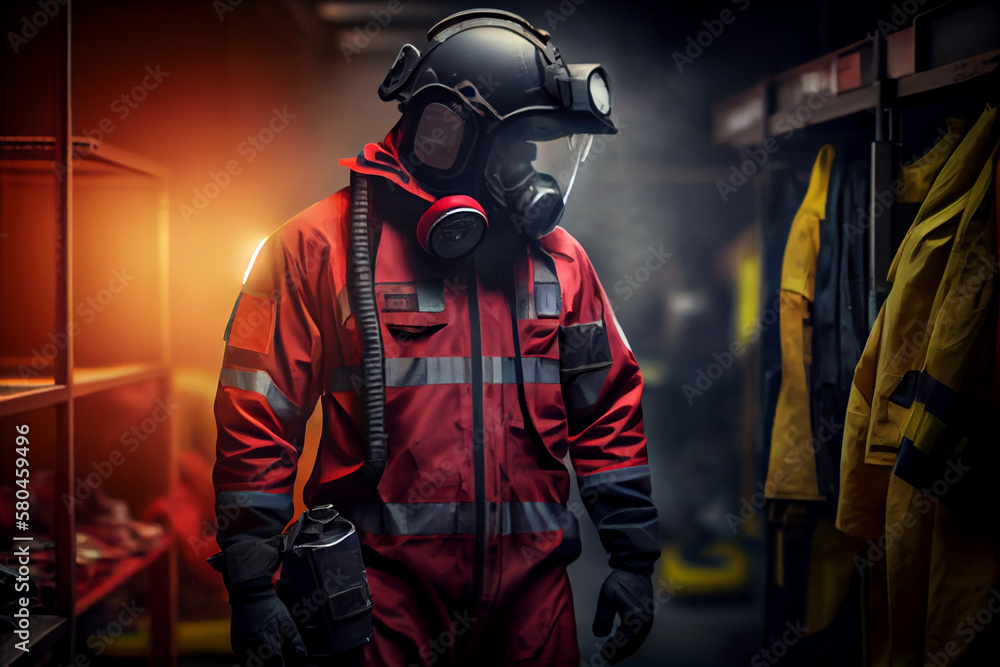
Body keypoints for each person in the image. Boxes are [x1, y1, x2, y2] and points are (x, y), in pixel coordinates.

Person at [210, 9, 660, 667]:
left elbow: (608, 411)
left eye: (536, 149)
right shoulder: (317, 247)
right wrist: (251, 581)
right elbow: (256, 417)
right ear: (450, 132)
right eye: (516, 146)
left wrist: (633, 556)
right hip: (379, 609)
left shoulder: (560, 260)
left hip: (531, 612)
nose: (531, 172)